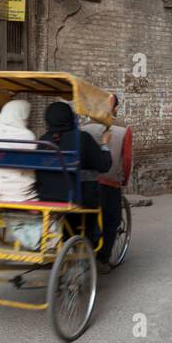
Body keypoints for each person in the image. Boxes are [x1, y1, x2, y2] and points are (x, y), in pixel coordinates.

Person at [36, 101, 111, 249]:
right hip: (75, 198)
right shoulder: (82, 138)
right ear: (70, 117)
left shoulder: (42, 141)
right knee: (98, 196)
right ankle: (92, 240)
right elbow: (104, 166)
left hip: (46, 196)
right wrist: (105, 144)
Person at [82, 93, 133, 268]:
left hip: (86, 182)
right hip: (110, 182)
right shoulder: (123, 129)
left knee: (86, 219)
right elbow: (126, 161)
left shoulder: (83, 128)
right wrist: (124, 180)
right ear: (115, 108)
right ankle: (103, 259)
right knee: (113, 220)